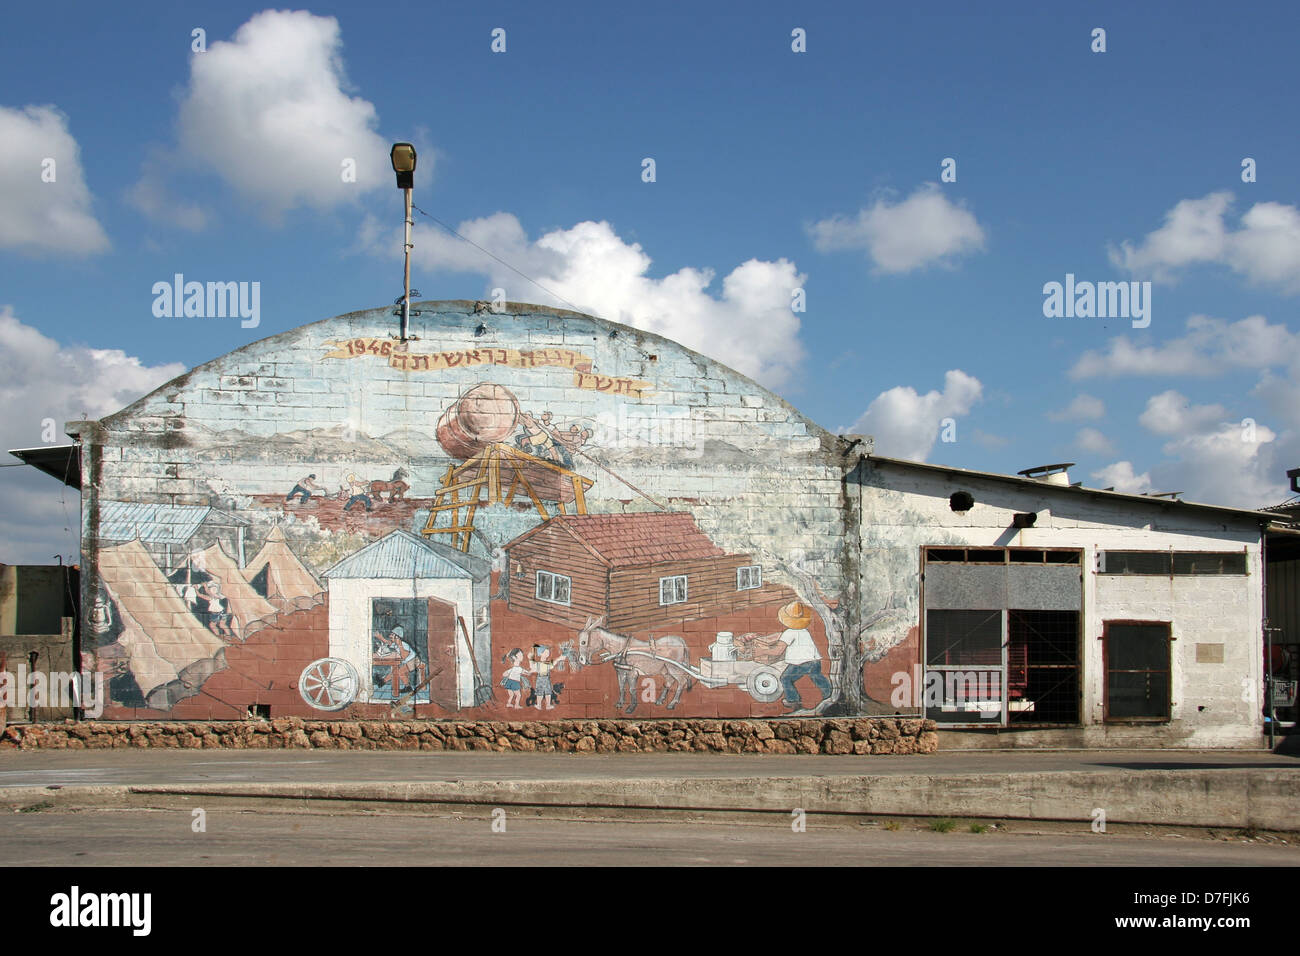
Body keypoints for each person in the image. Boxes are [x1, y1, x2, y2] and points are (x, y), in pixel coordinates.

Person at [750, 600, 832, 713]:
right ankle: (829, 694)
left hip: (801, 663)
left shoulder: (789, 633)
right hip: (815, 661)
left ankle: (793, 701)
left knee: (785, 678)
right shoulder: (804, 631)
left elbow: (778, 651)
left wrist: (762, 651)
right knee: (817, 676)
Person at [528, 643, 564, 710]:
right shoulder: (537, 664)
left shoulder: (548, 663)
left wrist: (560, 658)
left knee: (548, 692)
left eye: (548, 652)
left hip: (547, 679)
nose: (547, 654)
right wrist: (530, 659)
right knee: (539, 693)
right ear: (541, 653)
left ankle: (548, 705)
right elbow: (532, 667)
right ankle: (538, 704)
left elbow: (554, 662)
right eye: (546, 652)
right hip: (540, 679)